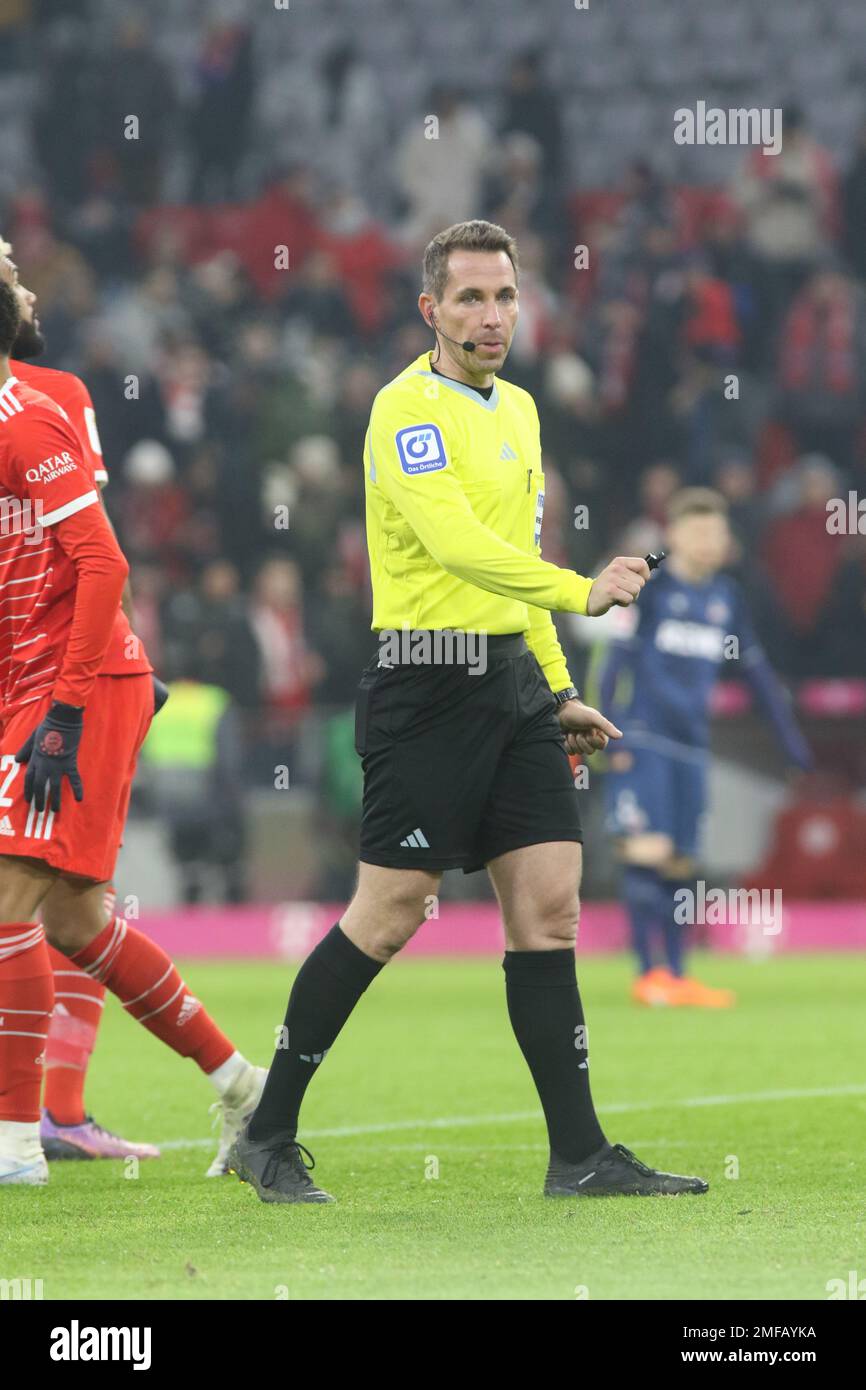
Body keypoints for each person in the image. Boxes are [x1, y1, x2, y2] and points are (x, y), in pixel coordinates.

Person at [229, 219, 709, 1203]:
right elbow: (454, 545)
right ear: (430, 310)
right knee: (390, 910)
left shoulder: (522, 412)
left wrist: (559, 685)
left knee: (549, 908)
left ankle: (578, 1157)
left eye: (502, 296)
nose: (490, 315)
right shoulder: (401, 412)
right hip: (423, 680)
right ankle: (265, 1130)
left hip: (512, 685)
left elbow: (512, 572)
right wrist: (584, 591)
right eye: (469, 299)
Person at [0, 263, 263, 1183]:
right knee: (74, 919)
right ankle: (241, 1085)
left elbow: (96, 556)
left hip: (61, 683)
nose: (29, 289)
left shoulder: (43, 405)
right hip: (30, 680)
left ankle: (20, 1142)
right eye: (15, 275)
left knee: (7, 906)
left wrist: (76, 700)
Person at [598, 488, 813, 1007]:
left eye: (716, 532)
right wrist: (610, 729)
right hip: (644, 738)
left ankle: (677, 973)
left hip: (693, 746)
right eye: (697, 531)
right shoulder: (651, 590)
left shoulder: (726, 599)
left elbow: (758, 674)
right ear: (672, 536)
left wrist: (792, 745)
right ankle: (648, 974)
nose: (707, 541)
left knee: (682, 864)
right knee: (646, 852)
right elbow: (616, 661)